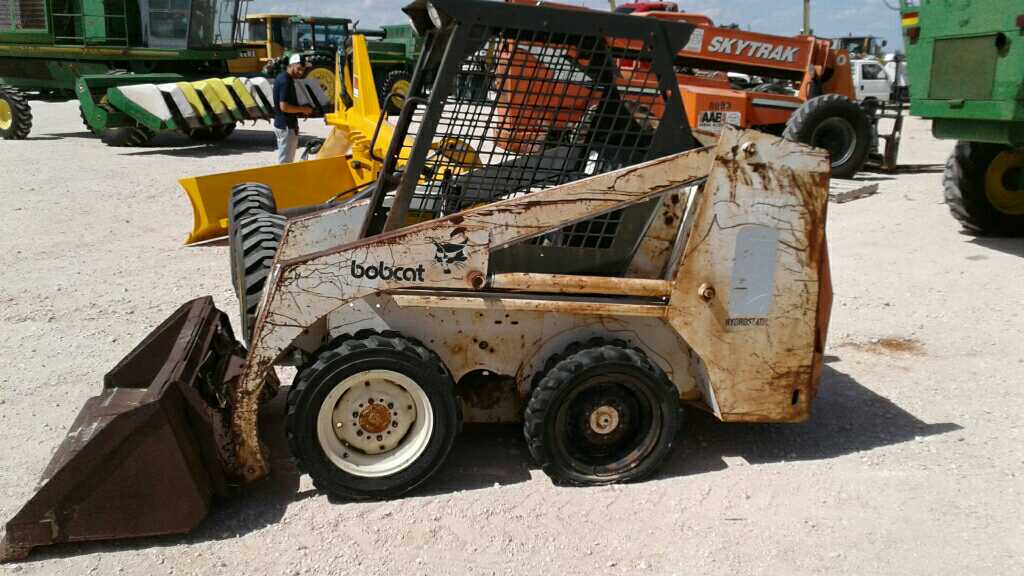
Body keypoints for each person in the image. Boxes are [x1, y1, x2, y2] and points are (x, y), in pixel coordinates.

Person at [273, 53, 315, 163]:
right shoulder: (285, 81)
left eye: (303, 70)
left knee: (286, 160)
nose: (301, 72)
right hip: (286, 127)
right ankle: (281, 180)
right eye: (299, 69)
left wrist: (300, 111)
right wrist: (303, 110)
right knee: (285, 163)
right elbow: (284, 107)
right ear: (291, 65)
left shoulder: (284, 78)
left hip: (284, 125)